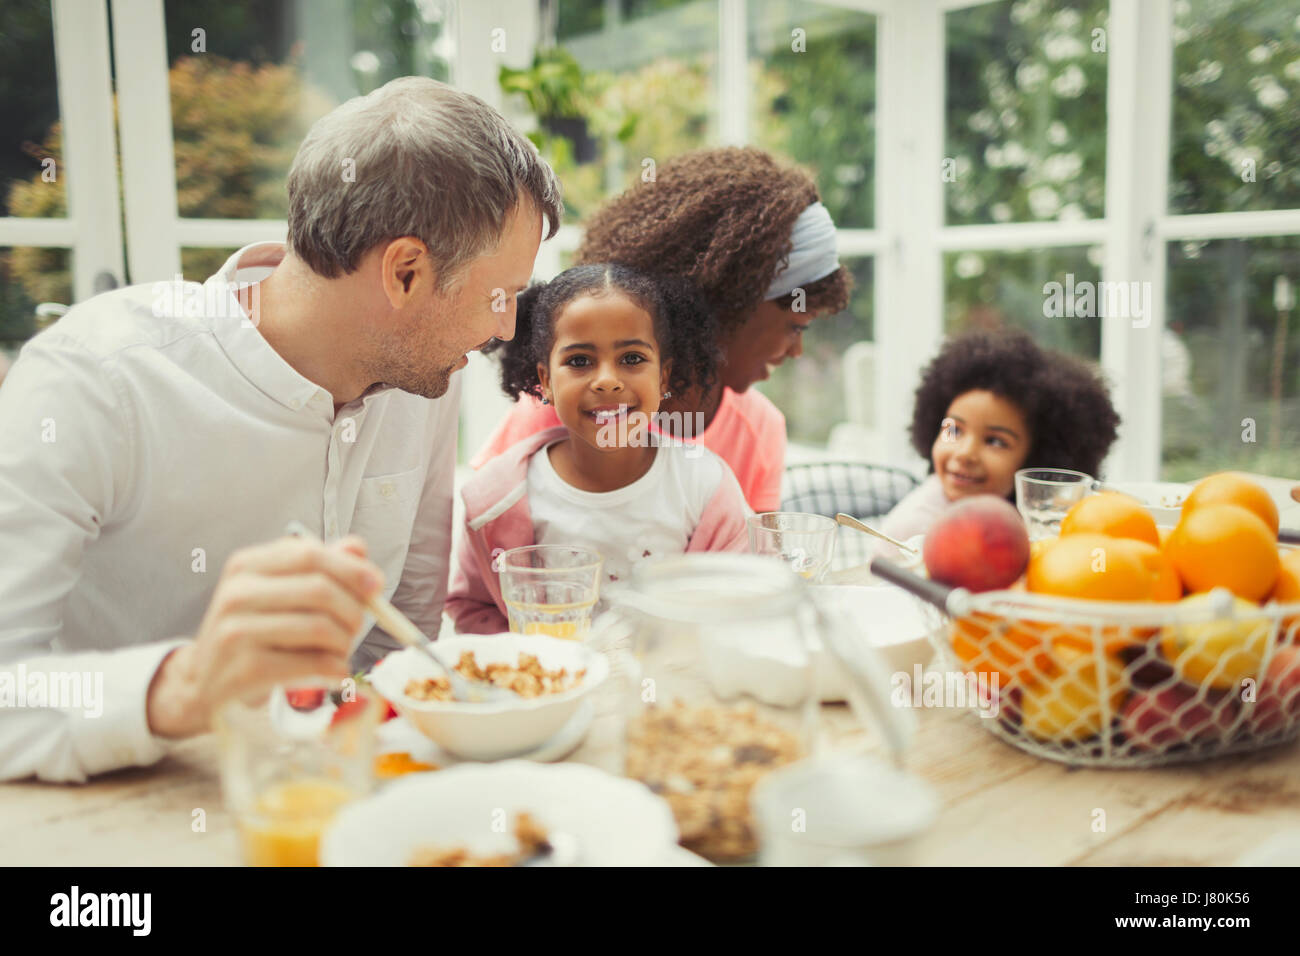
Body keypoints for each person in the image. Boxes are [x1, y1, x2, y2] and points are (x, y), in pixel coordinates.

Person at [0, 77, 562, 782]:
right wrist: (184, 685)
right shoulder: (94, 382)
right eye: (499, 296)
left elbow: (400, 643)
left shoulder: (420, 373)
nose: (506, 329)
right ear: (406, 272)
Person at [472, 147, 852, 513]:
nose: (796, 350)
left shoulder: (759, 430)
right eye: (795, 326)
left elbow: (750, 565)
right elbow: (488, 520)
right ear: (732, 302)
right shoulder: (566, 404)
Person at [446, 264, 749, 633]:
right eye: (579, 361)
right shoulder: (498, 500)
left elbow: (740, 609)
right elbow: (474, 610)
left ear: (663, 376)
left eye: (632, 359)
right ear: (546, 381)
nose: (607, 380)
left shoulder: (706, 489)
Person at [879, 327, 1120, 542]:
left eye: (995, 441)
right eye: (953, 430)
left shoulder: (1029, 519)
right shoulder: (920, 531)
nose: (965, 453)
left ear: (1035, 458)